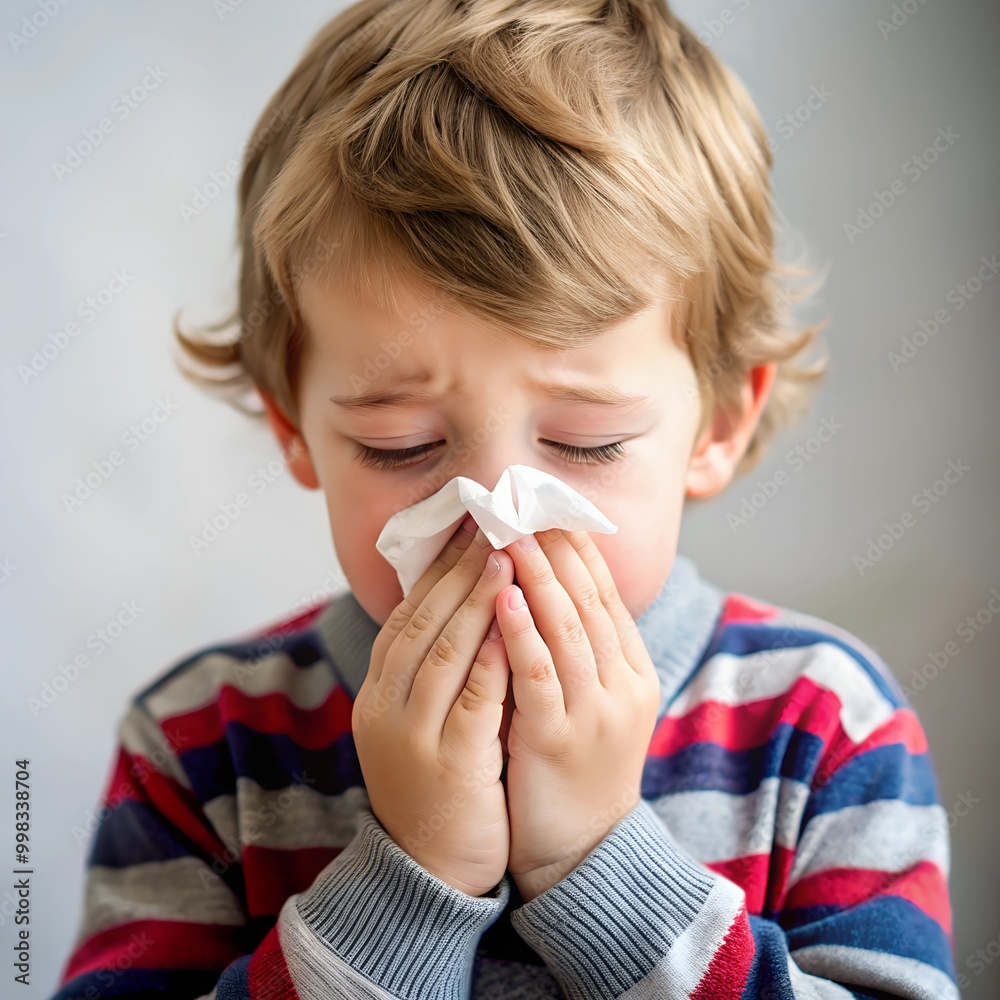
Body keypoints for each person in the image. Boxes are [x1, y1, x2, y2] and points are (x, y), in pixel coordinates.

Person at [50, 1, 958, 997]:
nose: (493, 517)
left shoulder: (822, 726)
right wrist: (409, 881)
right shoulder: (201, 747)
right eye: (399, 445)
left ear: (716, 426)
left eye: (585, 441)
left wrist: (600, 869)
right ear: (294, 430)